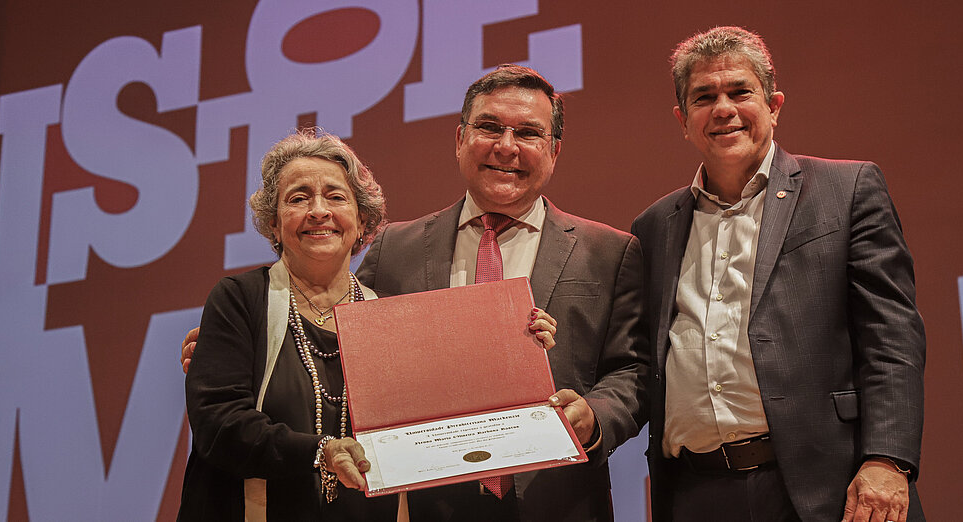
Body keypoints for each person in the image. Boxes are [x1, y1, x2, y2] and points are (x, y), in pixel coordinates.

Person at [183, 66, 647, 521]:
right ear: (460, 138)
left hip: (560, 502)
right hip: (433, 505)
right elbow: (355, 346)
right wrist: (227, 352)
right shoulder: (395, 249)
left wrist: (594, 416)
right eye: (488, 127)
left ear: (554, 149)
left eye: (527, 132)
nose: (506, 146)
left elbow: (633, 371)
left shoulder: (608, 251)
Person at [177, 129, 558, 521]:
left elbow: (439, 417)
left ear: (362, 223)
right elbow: (218, 424)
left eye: (336, 197)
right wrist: (319, 452)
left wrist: (518, 343)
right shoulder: (240, 299)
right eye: (298, 198)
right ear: (274, 225)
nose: (319, 211)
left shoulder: (385, 318)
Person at [631, 27, 926, 522]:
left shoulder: (846, 189)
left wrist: (888, 459)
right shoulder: (654, 226)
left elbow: (892, 337)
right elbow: (644, 361)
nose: (722, 108)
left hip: (829, 487)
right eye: (704, 97)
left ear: (774, 105)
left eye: (739, 92)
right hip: (696, 495)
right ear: (683, 121)